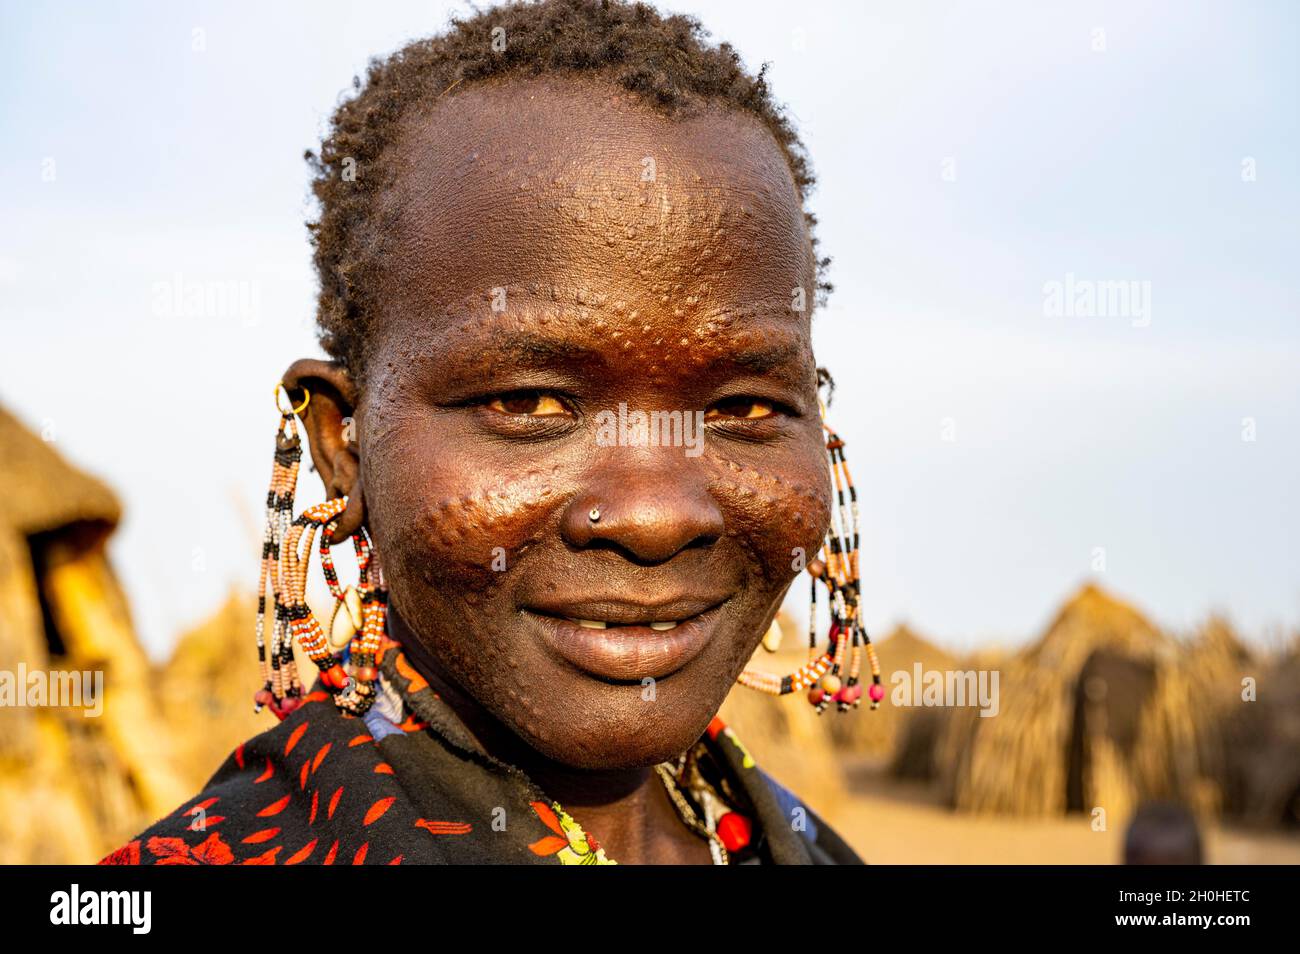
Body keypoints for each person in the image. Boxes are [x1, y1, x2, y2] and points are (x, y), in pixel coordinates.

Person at [102, 0, 875, 866]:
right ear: (342, 446)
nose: (656, 514)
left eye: (744, 408)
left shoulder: (798, 846)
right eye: (533, 404)